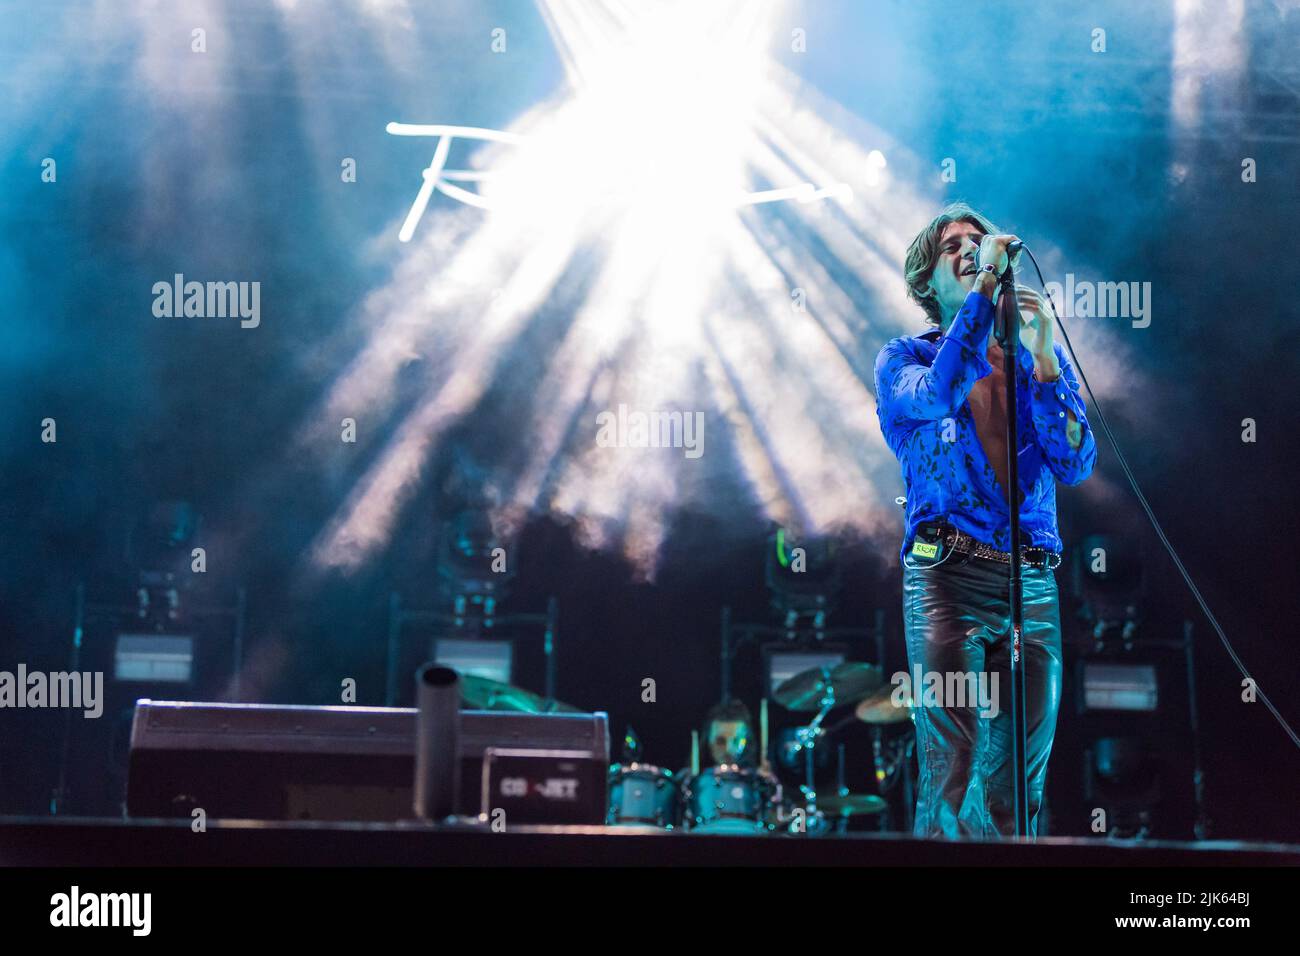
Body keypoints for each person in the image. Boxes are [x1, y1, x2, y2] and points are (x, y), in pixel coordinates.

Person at [873, 202, 1097, 838]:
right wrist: (981, 298)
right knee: (953, 775)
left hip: (1032, 586)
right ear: (927, 282)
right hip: (948, 581)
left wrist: (1048, 354)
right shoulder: (903, 361)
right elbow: (939, 394)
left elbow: (1077, 460)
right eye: (955, 248)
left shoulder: (1029, 368)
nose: (973, 249)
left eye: (980, 240)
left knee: (1016, 787)